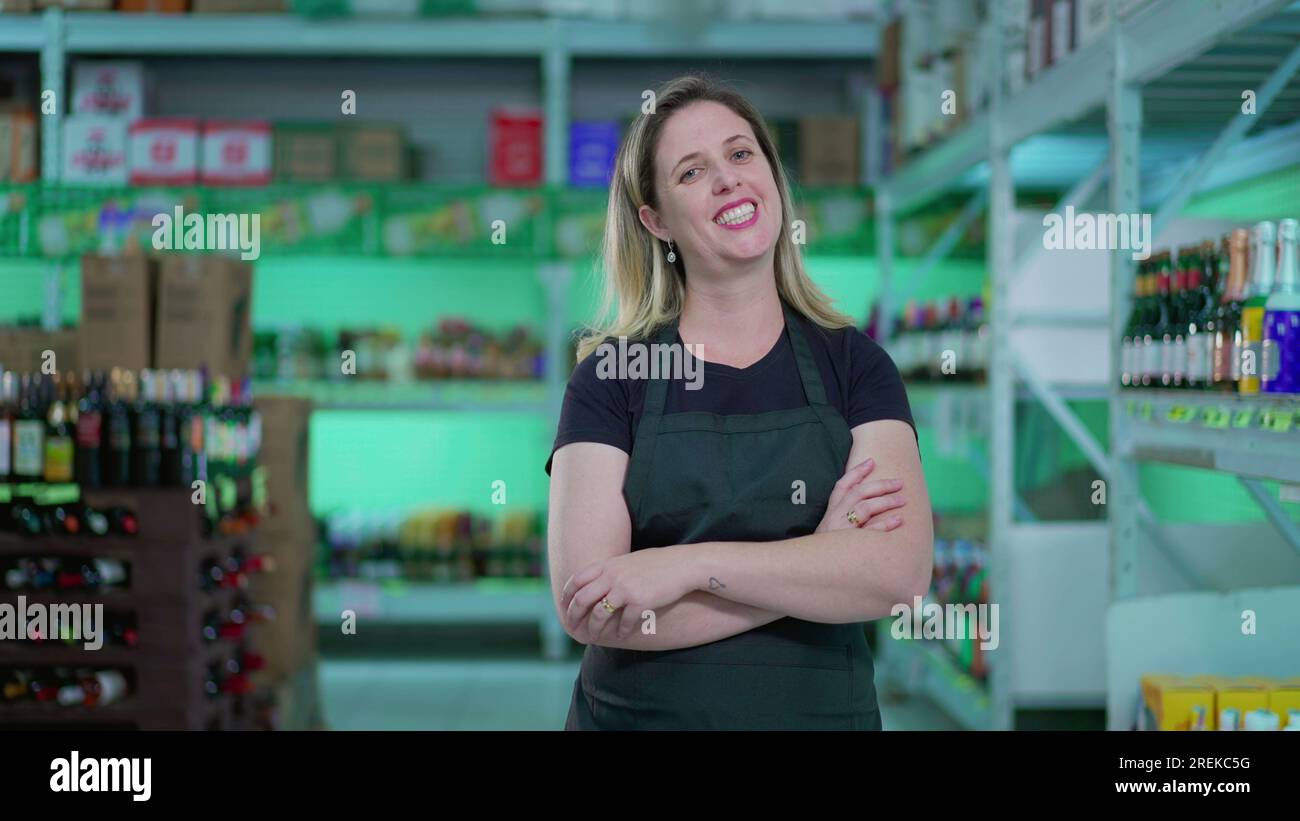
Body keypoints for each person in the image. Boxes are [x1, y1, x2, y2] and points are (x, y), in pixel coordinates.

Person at [545, 73, 933, 730]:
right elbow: (593, 606)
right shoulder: (611, 377)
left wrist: (687, 565)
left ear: (774, 180)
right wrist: (822, 558)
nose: (727, 178)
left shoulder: (856, 366)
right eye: (692, 171)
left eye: (741, 153)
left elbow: (898, 574)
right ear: (657, 219)